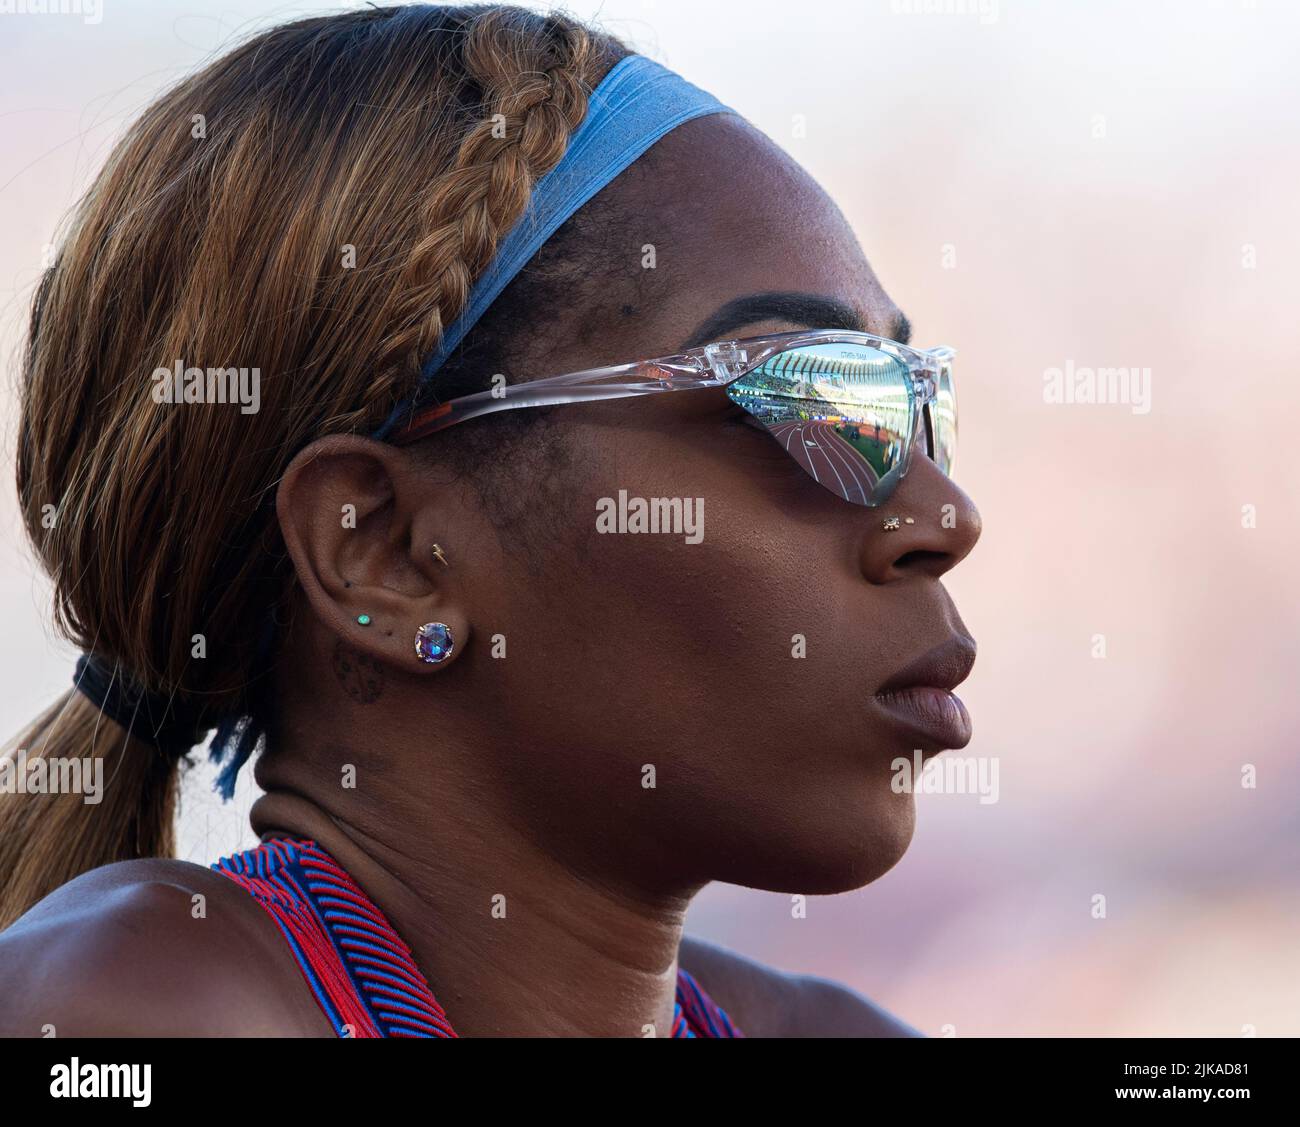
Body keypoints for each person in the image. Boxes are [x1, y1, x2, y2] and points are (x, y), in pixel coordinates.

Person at [0, 3, 980, 1037]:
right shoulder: (123, 1012)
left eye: (911, 408)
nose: (942, 513)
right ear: (384, 552)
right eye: (803, 399)